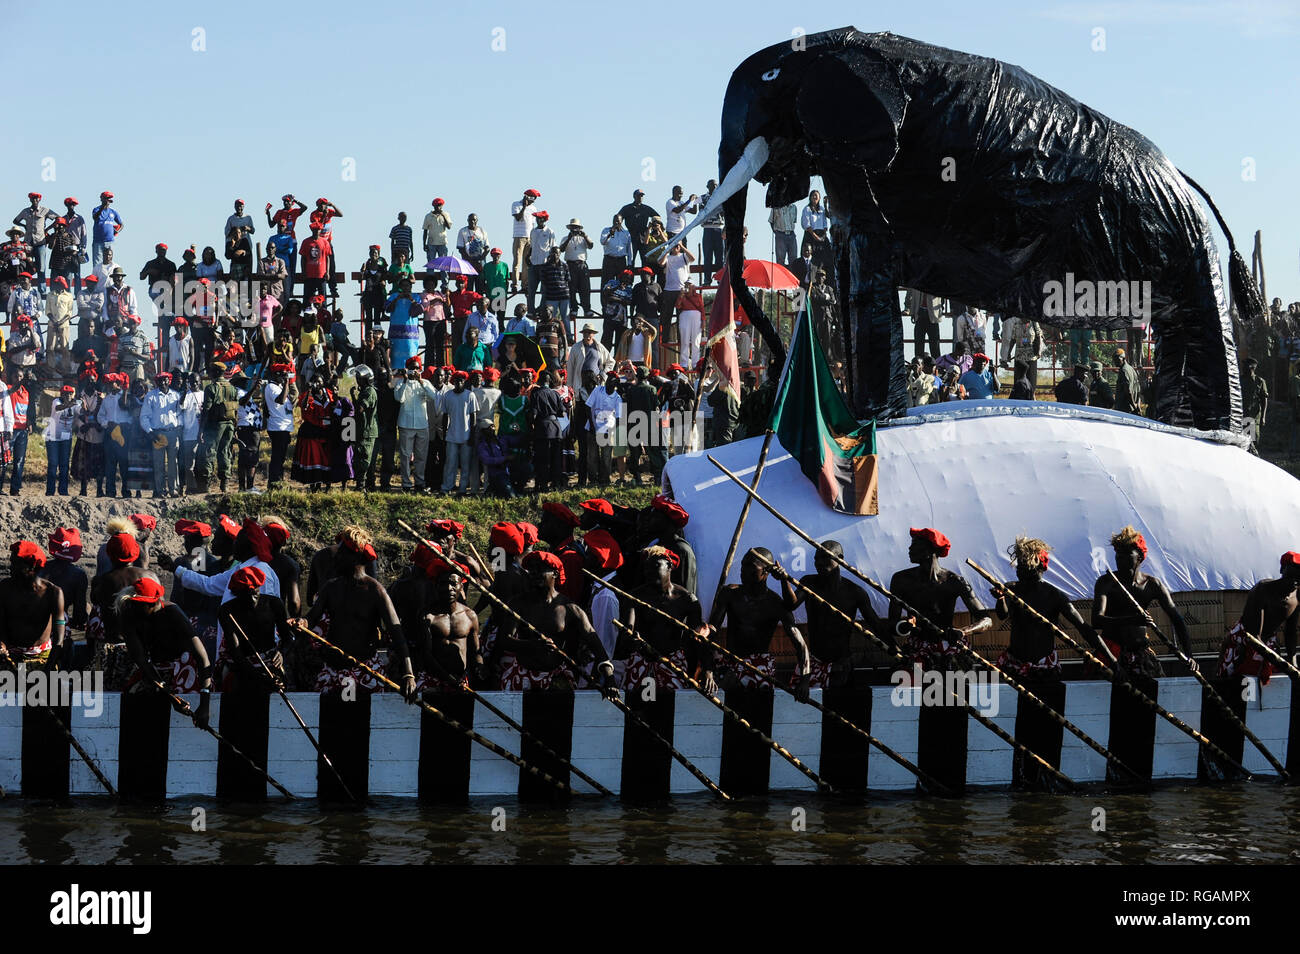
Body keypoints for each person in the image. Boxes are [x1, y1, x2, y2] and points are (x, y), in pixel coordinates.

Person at [297, 527, 415, 698]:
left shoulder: (376, 590)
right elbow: (312, 618)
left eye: (342, 552)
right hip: (333, 669)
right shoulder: (331, 587)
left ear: (355, 558)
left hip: (365, 669)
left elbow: (396, 633)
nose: (336, 557)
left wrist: (408, 674)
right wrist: (301, 622)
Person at [494, 550, 617, 695]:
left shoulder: (569, 608)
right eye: (531, 569)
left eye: (540, 568)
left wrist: (609, 678)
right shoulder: (518, 604)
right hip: (521, 677)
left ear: (555, 574)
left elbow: (595, 644)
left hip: (557, 681)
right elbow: (504, 640)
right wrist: (533, 645)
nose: (533, 572)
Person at [770, 540, 880, 688]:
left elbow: (875, 624)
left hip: (841, 665)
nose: (819, 563)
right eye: (816, 559)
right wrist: (784, 581)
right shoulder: (809, 583)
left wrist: (897, 650)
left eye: (824, 557)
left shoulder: (854, 592)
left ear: (840, 558)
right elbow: (791, 605)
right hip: (813, 663)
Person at [990, 536, 1101, 678]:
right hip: (1014, 663)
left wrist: (1111, 659)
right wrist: (1000, 599)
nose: (1019, 569)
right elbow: (1002, 615)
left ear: (1039, 567)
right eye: (1019, 564)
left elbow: (1083, 627)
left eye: (1024, 565)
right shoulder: (1012, 589)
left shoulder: (1053, 595)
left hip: (1044, 665)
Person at [1092, 525, 1195, 678]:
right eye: (1118, 553)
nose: (1120, 558)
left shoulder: (1153, 584)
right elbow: (1096, 621)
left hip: (1141, 653)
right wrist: (1133, 620)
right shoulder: (1106, 583)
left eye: (1126, 553)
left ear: (1139, 556)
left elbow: (1177, 619)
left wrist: (1189, 655)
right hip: (1111, 651)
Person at [707, 547, 809, 700]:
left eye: (750, 567)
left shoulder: (775, 603)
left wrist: (805, 681)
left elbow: (800, 644)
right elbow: (711, 633)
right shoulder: (730, 594)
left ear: (766, 572)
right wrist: (708, 670)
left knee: (759, 696)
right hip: (731, 662)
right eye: (743, 565)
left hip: (760, 668)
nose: (743, 571)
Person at [886, 527, 992, 669]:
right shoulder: (901, 580)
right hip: (918, 649)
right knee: (923, 687)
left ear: (930, 550)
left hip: (949, 647)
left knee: (956, 684)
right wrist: (903, 626)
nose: (909, 549)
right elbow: (891, 623)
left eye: (915, 544)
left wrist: (963, 631)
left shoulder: (955, 581)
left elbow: (986, 620)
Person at [118, 576, 212, 725]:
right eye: (134, 604)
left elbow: (202, 658)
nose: (134, 608)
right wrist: (169, 695)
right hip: (154, 668)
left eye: (139, 605)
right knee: (135, 700)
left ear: (153, 603)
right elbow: (141, 660)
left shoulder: (173, 613)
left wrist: (205, 704)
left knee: (186, 708)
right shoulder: (129, 615)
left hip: (183, 667)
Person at [1217, 551, 1300, 682]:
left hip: (1267, 645)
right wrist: (1279, 662)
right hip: (1245, 641)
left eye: (1298, 578)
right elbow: (1253, 635)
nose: (1294, 582)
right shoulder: (1263, 589)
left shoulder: (1297, 597)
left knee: (1272, 688)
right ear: (1282, 570)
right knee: (1239, 687)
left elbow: (1290, 633)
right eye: (1291, 575)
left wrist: (1292, 663)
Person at [216, 566, 293, 694]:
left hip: (270, 660)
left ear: (259, 588)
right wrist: (261, 678)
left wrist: (281, 653)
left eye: (254, 593)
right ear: (236, 594)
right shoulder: (227, 611)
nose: (252, 600)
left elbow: (287, 638)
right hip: (241, 664)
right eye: (246, 596)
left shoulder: (274, 604)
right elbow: (236, 652)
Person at [138, 372, 181, 498]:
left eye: (165, 380)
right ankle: (160, 490)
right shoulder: (151, 396)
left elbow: (179, 415)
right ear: (156, 382)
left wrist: (179, 428)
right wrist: (150, 432)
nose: (163, 382)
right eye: (160, 380)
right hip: (157, 434)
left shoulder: (176, 396)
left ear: (169, 381)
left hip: (172, 432)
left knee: (173, 462)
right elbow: (144, 416)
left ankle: (173, 489)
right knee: (158, 463)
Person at [437, 369, 476, 495]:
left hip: (466, 436)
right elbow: (445, 415)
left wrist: (472, 436)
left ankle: (462, 489)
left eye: (461, 380)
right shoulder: (448, 395)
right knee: (450, 463)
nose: (459, 382)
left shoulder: (470, 395)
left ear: (464, 382)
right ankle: (446, 487)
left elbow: (473, 417)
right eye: (457, 380)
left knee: (465, 464)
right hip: (452, 436)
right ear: (453, 381)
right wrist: (444, 432)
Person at [530, 371, 567, 492]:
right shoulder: (555, 394)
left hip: (542, 429)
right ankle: (556, 483)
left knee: (543, 459)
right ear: (549, 381)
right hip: (556, 429)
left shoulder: (536, 394)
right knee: (556, 458)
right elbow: (562, 413)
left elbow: (534, 414)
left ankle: (543, 484)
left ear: (540, 381)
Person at [509, 188, 540, 294]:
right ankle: (515, 284)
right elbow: (518, 218)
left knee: (527, 262)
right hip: (519, 236)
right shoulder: (516, 204)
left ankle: (525, 284)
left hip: (529, 237)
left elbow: (533, 224)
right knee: (517, 261)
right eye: (533, 198)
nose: (533, 201)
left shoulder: (534, 208)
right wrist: (524, 207)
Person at [560, 219, 593, 318]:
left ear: (579, 228)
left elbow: (591, 246)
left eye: (576, 227)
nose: (574, 229)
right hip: (570, 265)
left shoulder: (583, 238)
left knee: (585, 288)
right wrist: (569, 239)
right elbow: (561, 249)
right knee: (571, 289)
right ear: (569, 229)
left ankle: (586, 309)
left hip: (582, 264)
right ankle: (574, 309)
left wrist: (585, 236)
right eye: (573, 227)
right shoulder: (565, 237)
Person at [617, 190, 655, 268]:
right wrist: (622, 231)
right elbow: (618, 218)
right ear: (634, 196)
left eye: (642, 196)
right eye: (638, 195)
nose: (640, 197)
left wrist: (650, 227)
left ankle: (645, 280)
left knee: (645, 260)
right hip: (631, 237)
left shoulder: (646, 208)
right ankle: (629, 279)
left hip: (644, 238)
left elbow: (657, 217)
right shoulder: (627, 208)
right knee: (631, 261)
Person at [1241, 356, 1269, 454]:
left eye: (1245, 366)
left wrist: (1263, 417)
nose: (1242, 368)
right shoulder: (1240, 380)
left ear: (1251, 367)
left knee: (1253, 441)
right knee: (1242, 442)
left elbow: (1264, 400)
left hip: (1254, 417)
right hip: (1241, 416)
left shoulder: (1259, 381)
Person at [423, 197, 453, 267]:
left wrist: (443, 216)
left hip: (442, 242)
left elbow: (449, 227)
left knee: (443, 264)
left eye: (440, 205)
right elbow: (425, 231)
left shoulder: (446, 214)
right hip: (431, 243)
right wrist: (424, 244)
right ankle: (430, 277)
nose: (438, 207)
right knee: (431, 264)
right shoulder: (428, 216)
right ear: (433, 206)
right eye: (436, 205)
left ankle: (444, 278)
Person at [1113, 347, 1142, 414]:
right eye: (1114, 359)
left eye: (1117, 359)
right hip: (1131, 408)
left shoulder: (1124, 371)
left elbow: (1128, 391)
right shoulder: (1131, 369)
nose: (1115, 361)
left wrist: (1134, 406)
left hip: (1124, 409)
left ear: (1123, 358)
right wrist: (1137, 405)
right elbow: (1138, 389)